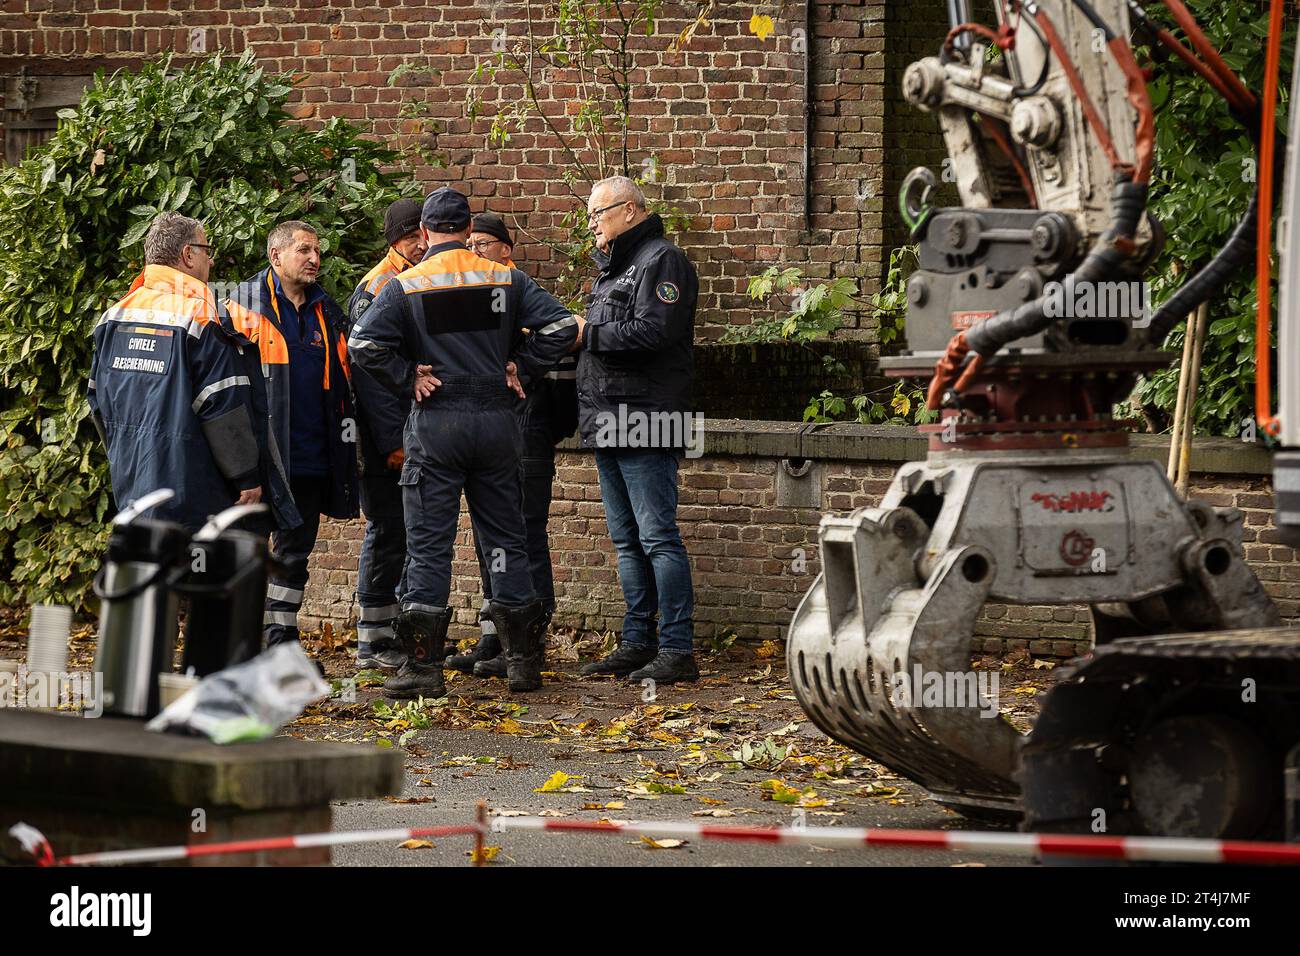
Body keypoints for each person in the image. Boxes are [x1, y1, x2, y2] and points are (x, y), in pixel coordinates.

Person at [348, 187, 581, 698]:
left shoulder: (407, 285)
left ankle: (425, 670)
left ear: (426, 233)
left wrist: (407, 375)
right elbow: (563, 326)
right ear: (467, 227)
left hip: (438, 424)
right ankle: (522, 663)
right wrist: (523, 363)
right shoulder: (505, 277)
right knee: (506, 542)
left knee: (430, 546)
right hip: (499, 424)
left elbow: (361, 344)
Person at [576, 176, 700, 684]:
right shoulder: (615, 269)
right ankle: (636, 639)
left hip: (646, 416)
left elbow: (656, 331)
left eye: (597, 214)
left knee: (657, 537)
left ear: (629, 210)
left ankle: (676, 646)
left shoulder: (660, 260)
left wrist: (587, 333)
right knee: (627, 540)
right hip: (608, 419)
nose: (592, 225)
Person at [447, 212, 580, 679]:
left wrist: (519, 370)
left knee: (523, 536)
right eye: (470, 243)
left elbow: (565, 338)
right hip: (494, 433)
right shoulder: (476, 295)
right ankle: (495, 636)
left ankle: (530, 641)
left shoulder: (523, 295)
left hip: (527, 434)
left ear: (507, 249)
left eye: (484, 243)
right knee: (491, 539)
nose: (475, 251)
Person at [223, 221, 358, 650]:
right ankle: (236, 644)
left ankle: (281, 638)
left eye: (317, 251)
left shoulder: (327, 312)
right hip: (258, 460)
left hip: (311, 458)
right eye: (304, 250)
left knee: (294, 557)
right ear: (275, 256)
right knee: (246, 551)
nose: (315, 259)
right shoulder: (238, 305)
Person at [89, 212, 263, 531]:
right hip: (194, 489)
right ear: (188, 255)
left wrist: (124, 454)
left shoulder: (114, 317)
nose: (210, 262)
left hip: (134, 486)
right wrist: (246, 476)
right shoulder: (200, 316)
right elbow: (221, 403)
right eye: (207, 252)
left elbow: (97, 400)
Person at [347, 198, 428, 670]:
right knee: (387, 528)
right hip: (386, 439)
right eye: (414, 235)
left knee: (403, 532)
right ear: (398, 240)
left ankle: (392, 631)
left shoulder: (407, 279)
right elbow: (369, 374)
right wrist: (392, 441)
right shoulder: (379, 286)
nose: (422, 243)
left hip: (404, 433)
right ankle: (373, 640)